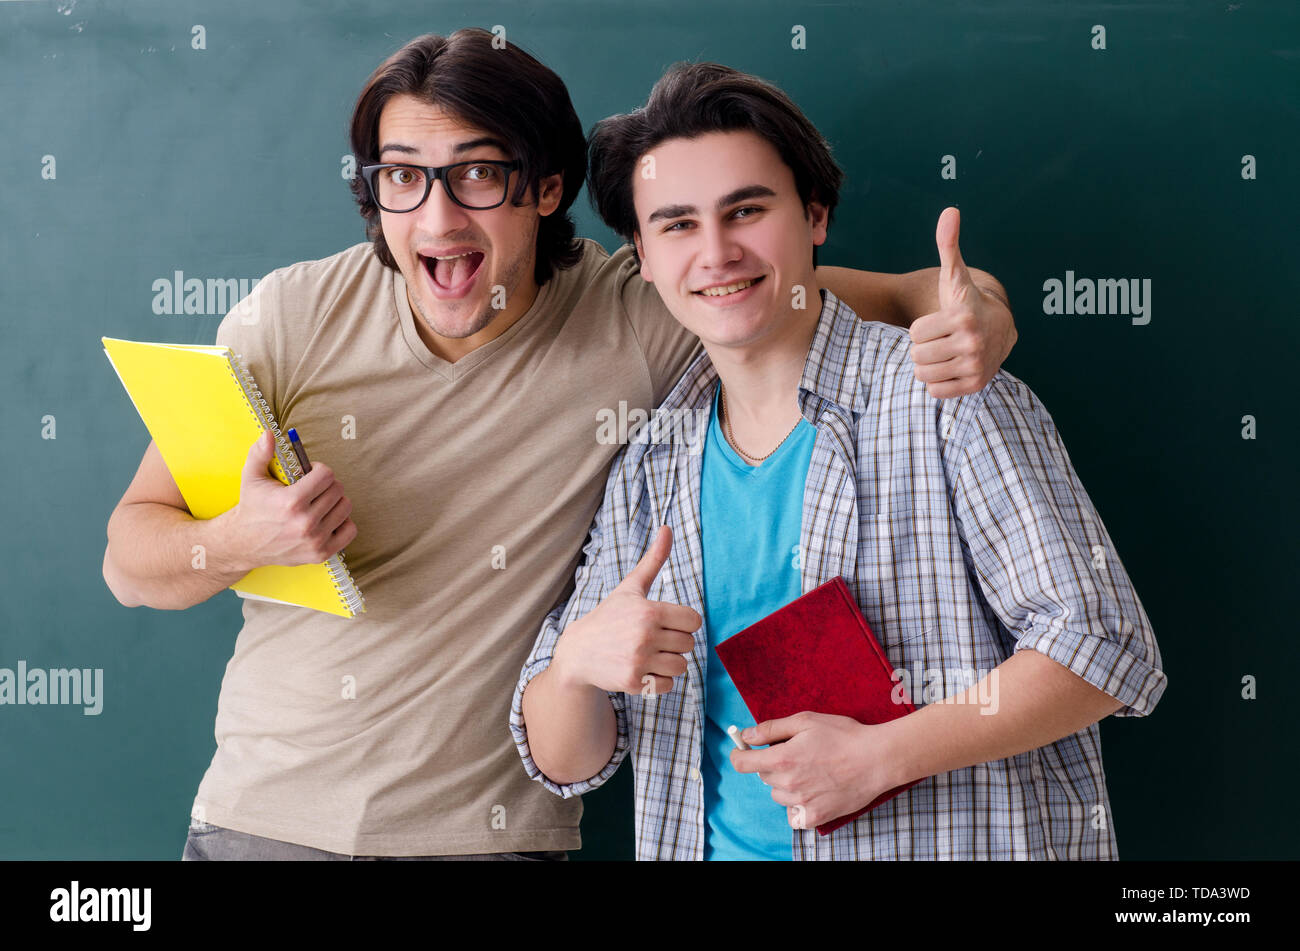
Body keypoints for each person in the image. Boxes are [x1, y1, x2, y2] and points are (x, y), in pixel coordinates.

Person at [101, 29, 1018, 860]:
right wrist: (235, 541)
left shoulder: (645, 303)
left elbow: (915, 292)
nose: (437, 218)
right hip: (261, 827)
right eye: (402, 175)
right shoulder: (290, 317)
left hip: (497, 838)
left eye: (478, 175)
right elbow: (131, 559)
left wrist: (986, 315)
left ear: (546, 189)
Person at [511, 61, 1166, 860]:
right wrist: (576, 664)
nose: (716, 253)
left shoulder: (944, 392)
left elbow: (1103, 648)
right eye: (677, 225)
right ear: (642, 257)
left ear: (815, 215)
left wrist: (883, 757)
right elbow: (565, 762)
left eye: (746, 210)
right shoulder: (650, 458)